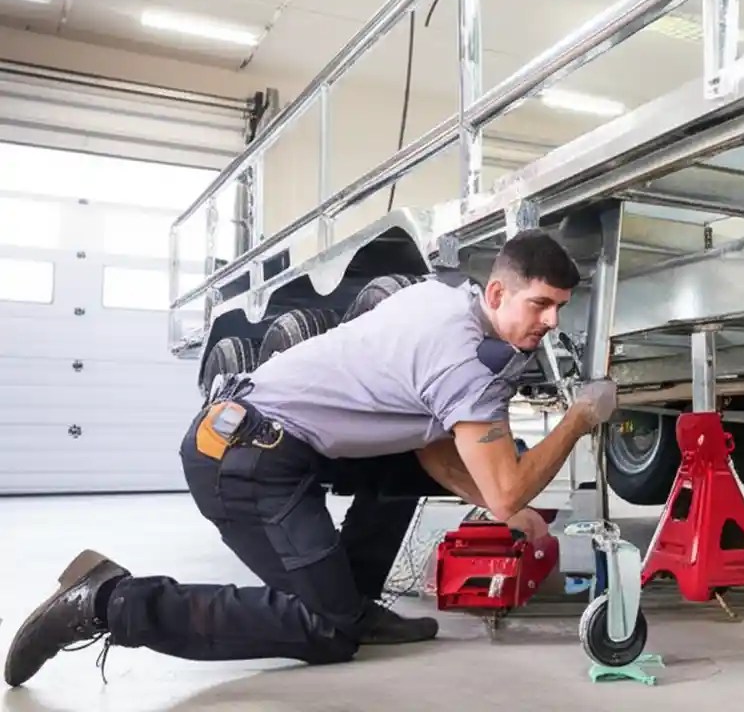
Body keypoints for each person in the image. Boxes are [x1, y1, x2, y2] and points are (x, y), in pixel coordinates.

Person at [4, 229, 618, 687]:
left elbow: (430, 444)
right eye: (540, 304)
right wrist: (579, 417)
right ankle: (108, 602)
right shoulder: (466, 363)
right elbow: (508, 492)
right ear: (498, 291)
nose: (551, 320)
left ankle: (358, 602)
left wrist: (496, 500)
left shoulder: (440, 298)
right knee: (325, 633)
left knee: (406, 465)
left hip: (270, 445)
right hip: (242, 461)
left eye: (560, 306)